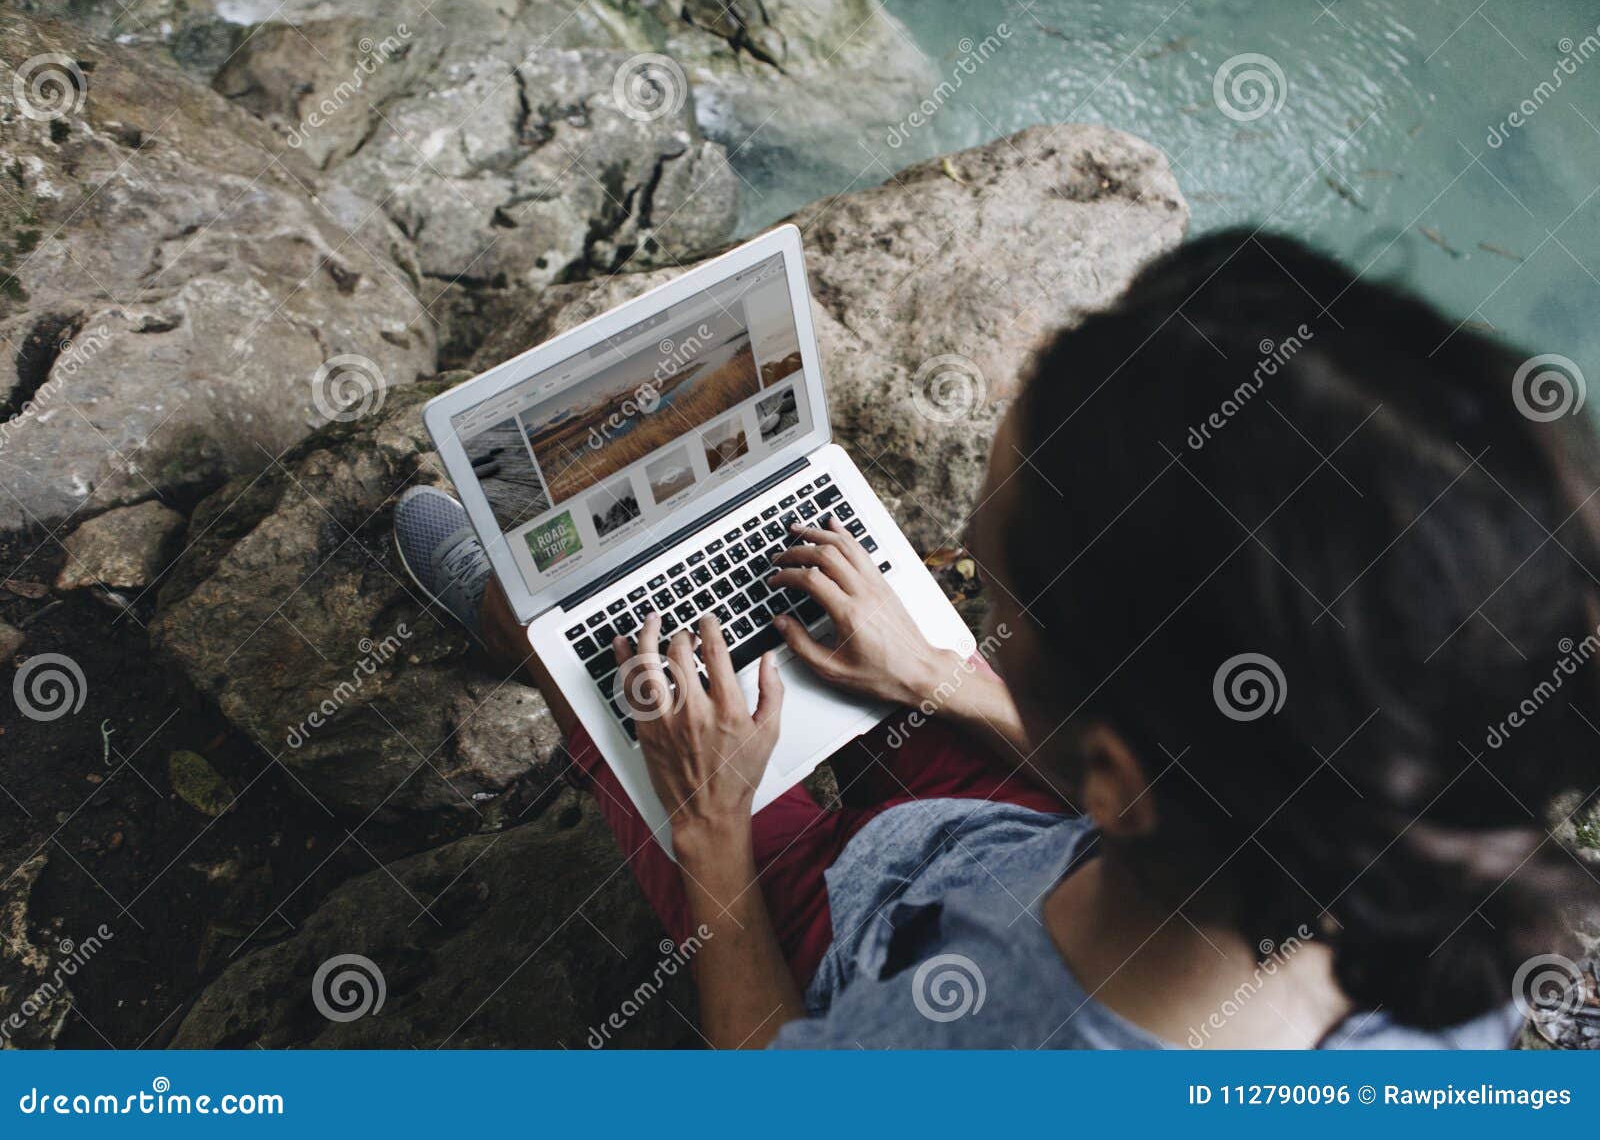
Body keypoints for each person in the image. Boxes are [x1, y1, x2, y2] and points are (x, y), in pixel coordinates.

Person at [394, 230, 1599, 1049]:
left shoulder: (972, 1047)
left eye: (998, 597)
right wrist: (935, 674)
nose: (967, 592)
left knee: (635, 689)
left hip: (845, 937)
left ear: (1117, 770)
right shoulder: (1425, 861)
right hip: (1031, 839)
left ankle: (532, 632)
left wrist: (711, 827)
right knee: (835, 654)